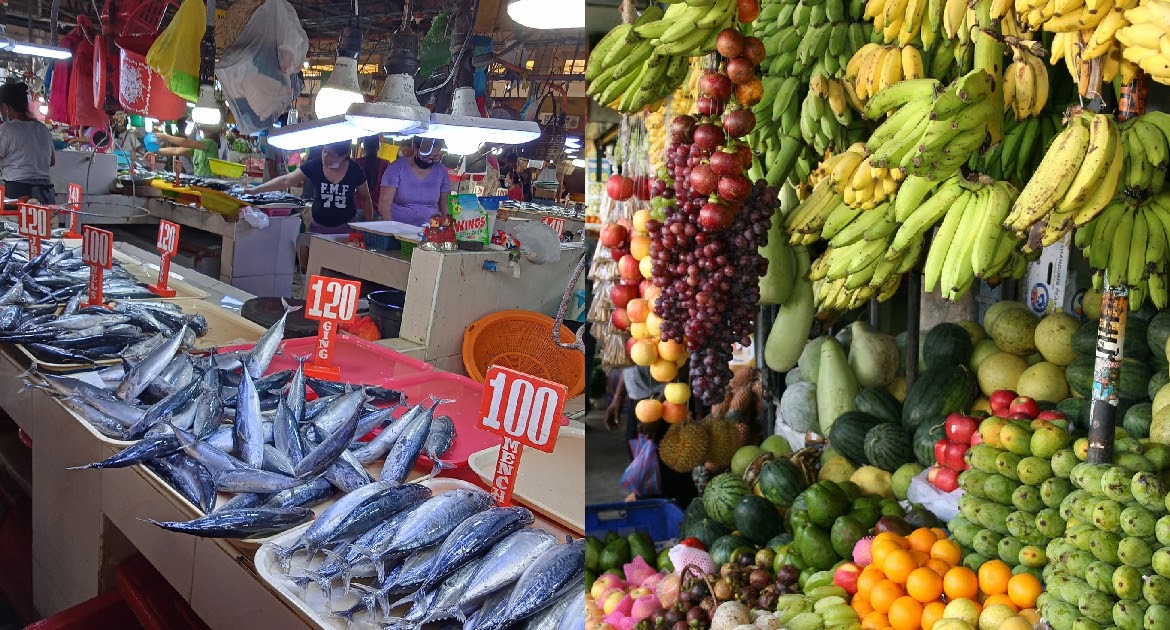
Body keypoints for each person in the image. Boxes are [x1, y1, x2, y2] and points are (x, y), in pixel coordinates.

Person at [245, 140, 373, 273]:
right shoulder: (315, 165)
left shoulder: (354, 170)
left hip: (345, 231)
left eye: (331, 154)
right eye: (324, 151)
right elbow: (286, 180)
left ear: (343, 156)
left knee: (340, 271)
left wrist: (369, 228)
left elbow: (366, 198)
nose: (325, 156)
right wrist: (256, 190)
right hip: (318, 228)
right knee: (315, 270)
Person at [606, 366, 697, 505]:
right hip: (639, 402)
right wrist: (619, 396)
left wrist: (657, 411)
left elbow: (682, 367)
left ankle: (680, 519)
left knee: (673, 479)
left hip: (667, 404)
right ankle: (651, 518)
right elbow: (627, 363)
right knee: (645, 474)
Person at [0, 82, 55, 202]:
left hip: (18, 192)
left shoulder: (6, 129)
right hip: (45, 192)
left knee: (16, 221)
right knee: (46, 221)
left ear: (5, 107)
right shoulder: (42, 128)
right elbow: (52, 161)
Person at [378, 136, 451, 226]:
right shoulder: (396, 167)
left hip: (431, 230)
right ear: (415, 148)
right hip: (399, 229)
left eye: (435, 157)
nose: (429, 161)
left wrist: (448, 225)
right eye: (426, 157)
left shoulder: (441, 170)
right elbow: (384, 204)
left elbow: (445, 203)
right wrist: (391, 229)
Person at [153, 123, 222, 177]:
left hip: (211, 182)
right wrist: (156, 151)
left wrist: (166, 137)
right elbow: (175, 150)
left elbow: (186, 142)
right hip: (201, 182)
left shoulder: (211, 144)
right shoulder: (197, 148)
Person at [357, 135, 390, 210]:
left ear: (364, 147)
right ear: (378, 147)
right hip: (378, 207)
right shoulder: (385, 164)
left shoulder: (357, 163)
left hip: (358, 205)